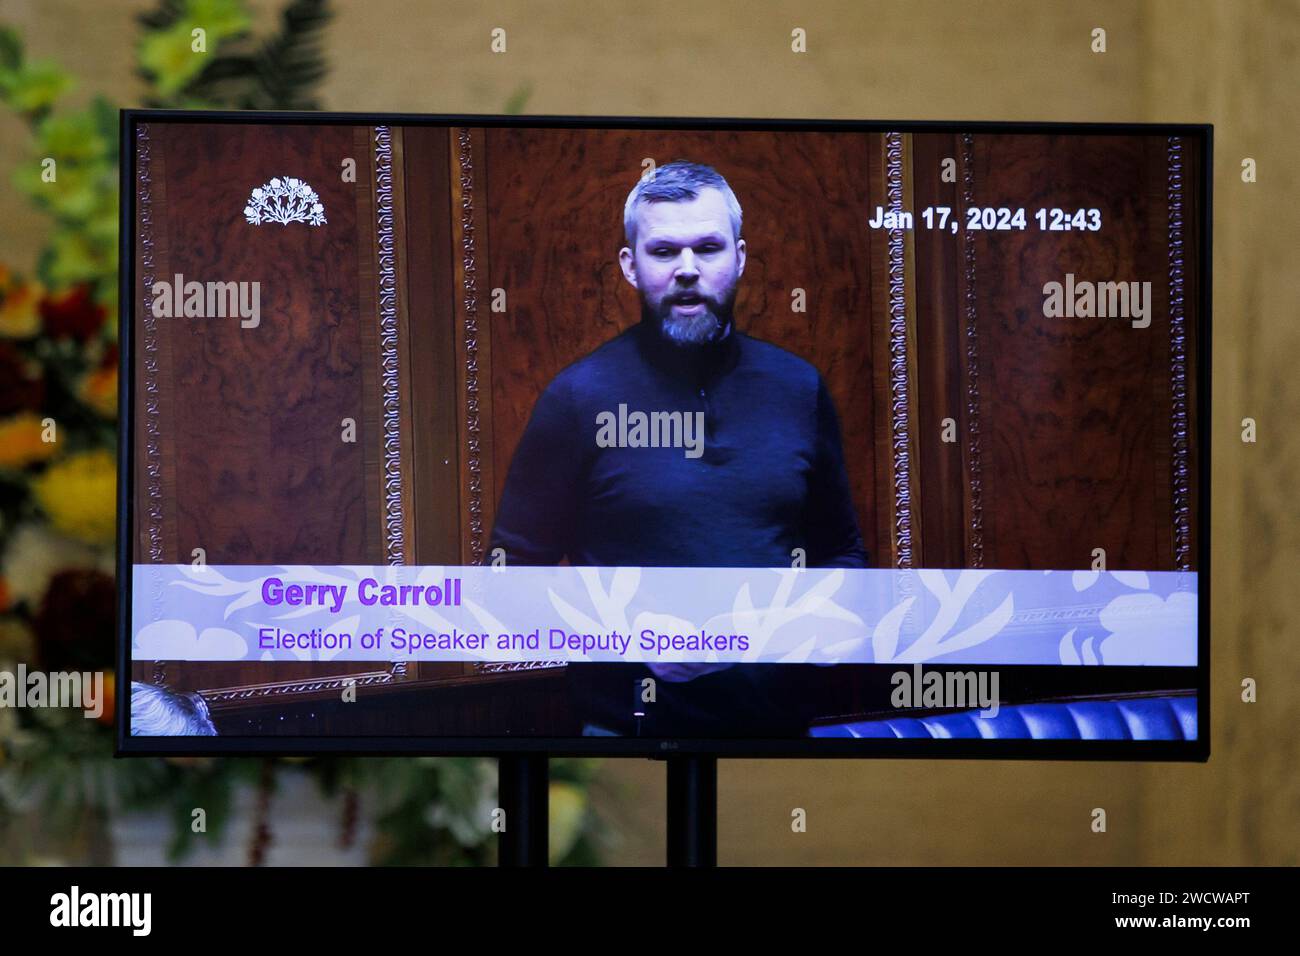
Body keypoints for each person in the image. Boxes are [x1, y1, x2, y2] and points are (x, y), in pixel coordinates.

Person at [488, 160, 867, 736]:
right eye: (664, 252)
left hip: (782, 738)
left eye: (708, 248)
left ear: (739, 257)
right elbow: (508, 581)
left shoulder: (798, 388)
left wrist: (806, 629)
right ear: (630, 266)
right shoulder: (578, 398)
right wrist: (635, 638)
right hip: (627, 744)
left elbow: (841, 555)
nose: (687, 270)